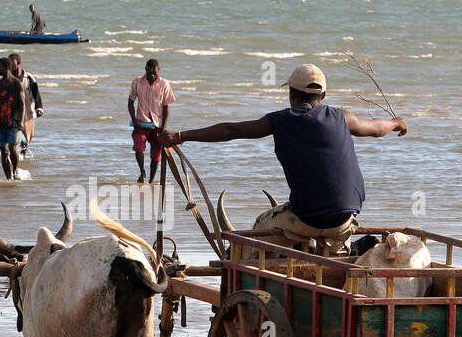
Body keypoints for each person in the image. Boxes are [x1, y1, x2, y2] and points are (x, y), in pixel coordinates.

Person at [159, 63, 408, 254]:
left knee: (261, 224)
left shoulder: (280, 120)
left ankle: (240, 272)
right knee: (329, 239)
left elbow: (231, 131)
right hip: (345, 219)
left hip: (306, 217)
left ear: (292, 94)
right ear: (323, 96)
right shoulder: (343, 117)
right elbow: (376, 128)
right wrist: (396, 122)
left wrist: (180, 136)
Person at [128, 58, 174, 184]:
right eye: (149, 71)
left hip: (157, 125)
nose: (152, 74)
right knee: (138, 146)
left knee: (156, 155)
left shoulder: (164, 84)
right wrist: (134, 120)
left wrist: (163, 128)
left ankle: (151, 180)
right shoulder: (137, 82)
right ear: (145, 69)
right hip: (141, 123)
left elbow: (166, 108)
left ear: (158, 70)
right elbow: (130, 102)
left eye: (154, 72)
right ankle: (142, 172)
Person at [0, 57, 25, 181]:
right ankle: (8, 178)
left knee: (13, 148)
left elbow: (22, 104)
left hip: (13, 122)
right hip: (0, 123)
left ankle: (16, 171)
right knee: (4, 151)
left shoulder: (16, 84)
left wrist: (21, 122)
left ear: (6, 68)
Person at [7, 52, 43, 156]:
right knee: (13, 135)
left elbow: (36, 94)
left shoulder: (29, 78)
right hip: (13, 112)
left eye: (12, 61)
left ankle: (22, 156)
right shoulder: (8, 79)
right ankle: (13, 156)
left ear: (18, 63)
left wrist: (39, 108)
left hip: (28, 112)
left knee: (26, 137)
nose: (10, 64)